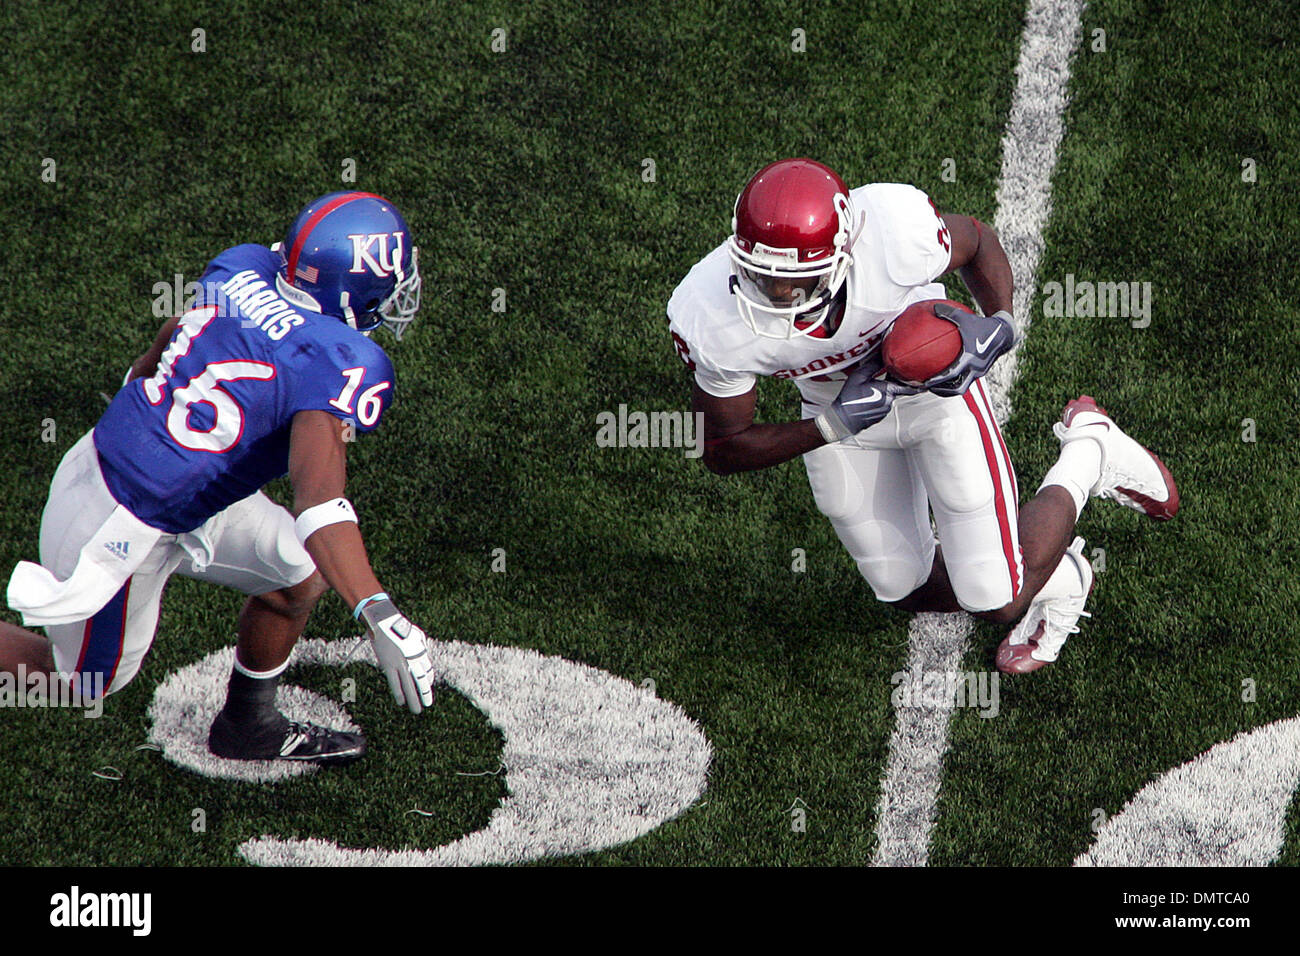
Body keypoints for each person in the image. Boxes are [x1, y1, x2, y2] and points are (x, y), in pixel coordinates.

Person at [667, 158, 1179, 672]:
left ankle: (1089, 449)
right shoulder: (708, 314)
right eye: (761, 277)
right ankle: (1062, 573)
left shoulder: (893, 232)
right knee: (899, 584)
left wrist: (999, 322)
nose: (776, 296)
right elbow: (724, 447)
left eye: (797, 282)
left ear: (845, 253)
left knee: (998, 599)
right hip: (836, 409)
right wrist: (830, 424)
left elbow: (978, 240)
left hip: (935, 391)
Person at [2, 191, 436, 762]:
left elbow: (158, 352)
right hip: (118, 517)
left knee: (297, 573)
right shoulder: (338, 359)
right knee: (80, 685)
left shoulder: (244, 266)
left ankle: (247, 725)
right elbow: (319, 502)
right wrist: (377, 609)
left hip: (177, 486)